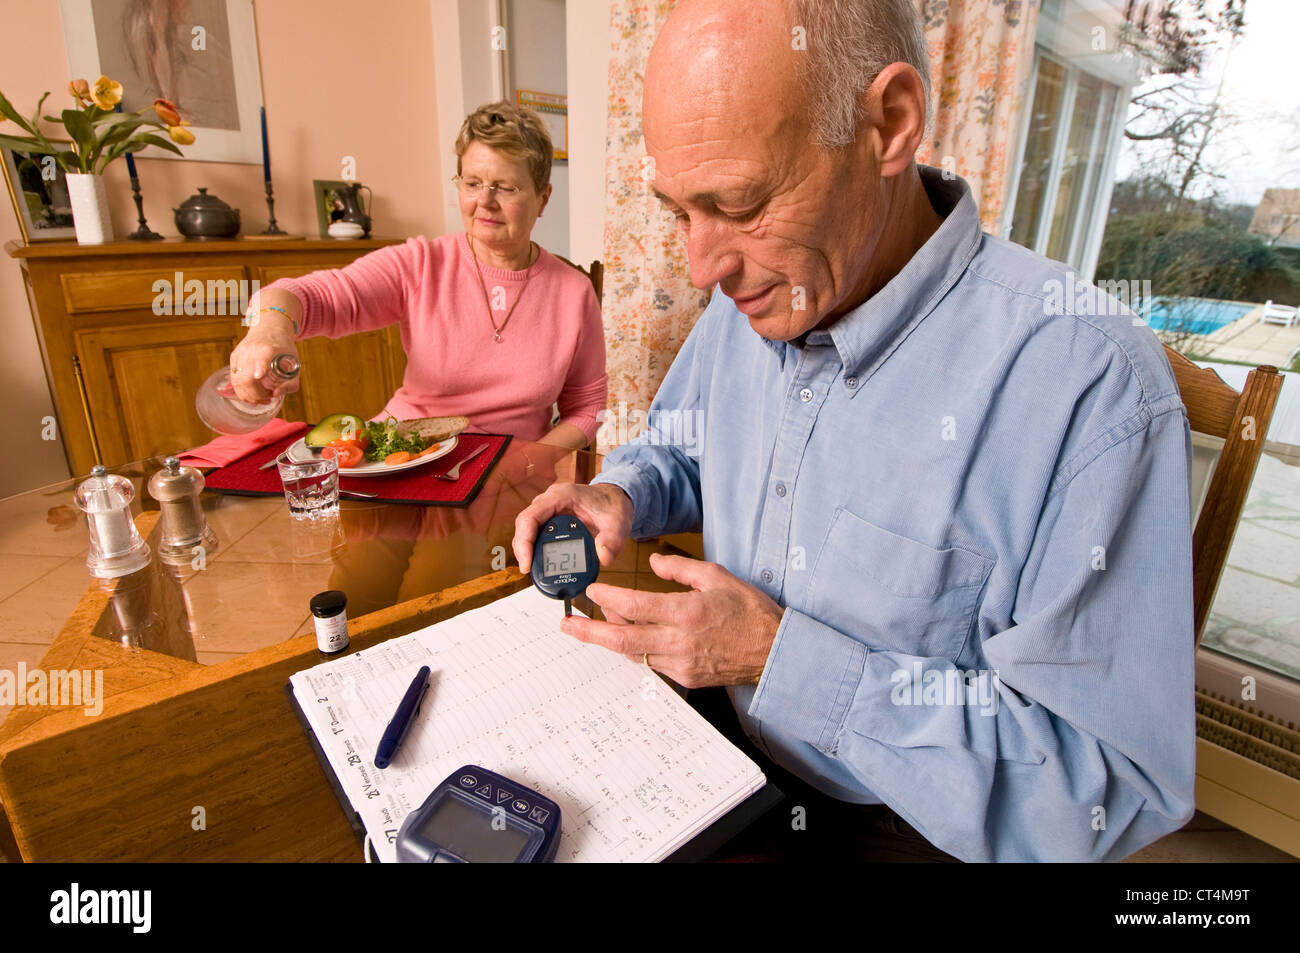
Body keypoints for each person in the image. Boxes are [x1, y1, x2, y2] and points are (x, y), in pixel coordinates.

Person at [512, 0, 1196, 862]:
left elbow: (1101, 789)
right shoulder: (762, 288)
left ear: (891, 123)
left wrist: (776, 658)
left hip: (910, 828)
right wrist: (625, 490)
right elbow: (688, 445)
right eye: (681, 211)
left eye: (741, 202)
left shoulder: (1090, 382)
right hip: (715, 749)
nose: (703, 267)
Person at [229, 101, 606, 450]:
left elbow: (588, 406)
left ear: (543, 198)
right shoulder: (421, 264)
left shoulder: (573, 291)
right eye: (472, 183)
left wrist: (532, 461)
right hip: (404, 453)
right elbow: (310, 296)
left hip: (512, 466)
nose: (484, 201)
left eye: (505, 188)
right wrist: (270, 330)